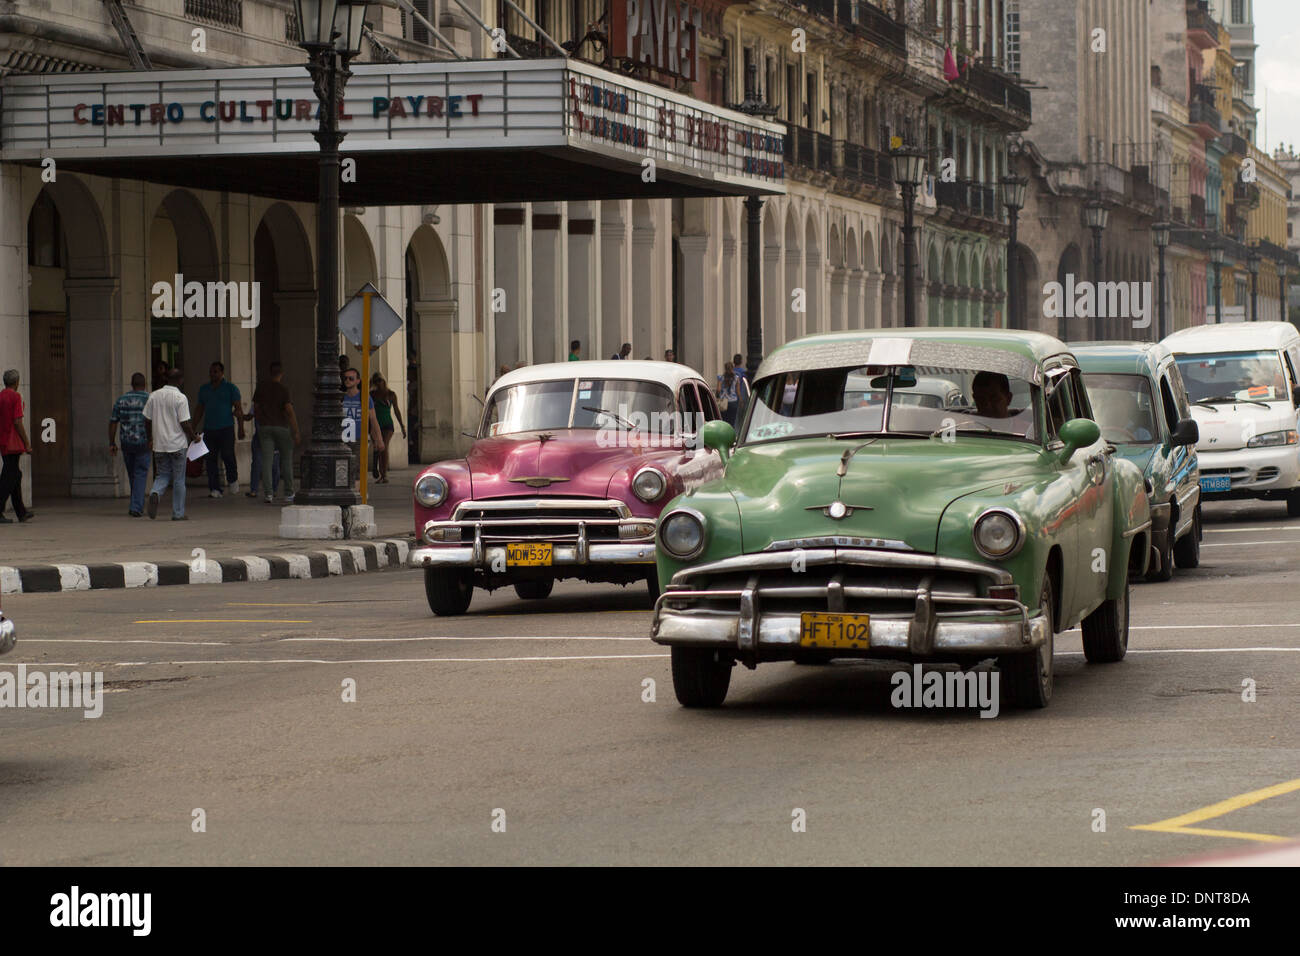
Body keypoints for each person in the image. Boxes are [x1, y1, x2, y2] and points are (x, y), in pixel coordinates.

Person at [143, 368, 199, 520]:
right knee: (179, 479)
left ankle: (155, 492)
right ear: (180, 380)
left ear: (166, 379)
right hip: (178, 445)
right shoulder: (180, 398)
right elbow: (185, 423)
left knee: (162, 475)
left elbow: (147, 420)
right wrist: (194, 437)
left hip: (159, 445)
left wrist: (150, 438)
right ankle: (178, 513)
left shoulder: (154, 396)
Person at [195, 360, 244, 498]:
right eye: (211, 371)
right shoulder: (204, 389)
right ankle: (215, 488)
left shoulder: (231, 388)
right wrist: (192, 427)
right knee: (210, 459)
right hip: (209, 429)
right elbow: (199, 409)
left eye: (216, 371)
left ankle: (233, 480)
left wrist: (241, 428)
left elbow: (238, 409)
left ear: (222, 373)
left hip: (226, 428)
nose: (213, 374)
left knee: (228, 455)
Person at [251, 361, 298, 504]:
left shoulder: (261, 387)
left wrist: (260, 420)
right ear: (281, 374)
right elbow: (289, 411)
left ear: (270, 372)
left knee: (266, 460)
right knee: (286, 460)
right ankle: (289, 492)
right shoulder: (283, 389)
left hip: (265, 427)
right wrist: (296, 431)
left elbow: (256, 407)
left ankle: (268, 494)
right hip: (281, 427)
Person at [109, 372, 151, 517]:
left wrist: (111, 442)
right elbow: (152, 421)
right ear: (144, 384)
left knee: (133, 474)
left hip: (126, 442)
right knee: (140, 473)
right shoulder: (149, 399)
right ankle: (136, 507)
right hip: (143, 441)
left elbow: (113, 422)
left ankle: (135, 503)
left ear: (132, 384)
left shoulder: (121, 400)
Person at [0, 369, 34, 523]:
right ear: (17, 382)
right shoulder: (15, 397)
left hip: (3, 440)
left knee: (15, 474)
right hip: (12, 442)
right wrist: (27, 443)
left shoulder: (1, 396)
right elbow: (17, 422)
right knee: (8, 477)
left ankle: (21, 511)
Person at [342, 367, 384, 488]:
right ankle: (348, 492)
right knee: (344, 467)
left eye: (351, 378)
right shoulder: (341, 397)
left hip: (360, 438)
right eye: (345, 378)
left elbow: (373, 419)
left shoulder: (364, 398)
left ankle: (357, 494)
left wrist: (379, 439)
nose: (348, 381)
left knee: (357, 468)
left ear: (357, 381)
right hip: (343, 439)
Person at [369, 372, 406, 483]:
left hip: (387, 425)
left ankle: (383, 474)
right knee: (378, 448)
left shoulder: (391, 394)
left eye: (380, 380)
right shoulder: (372, 395)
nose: (379, 383)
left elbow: (396, 411)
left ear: (384, 381)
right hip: (376, 425)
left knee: (383, 447)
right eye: (376, 381)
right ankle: (380, 472)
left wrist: (402, 426)